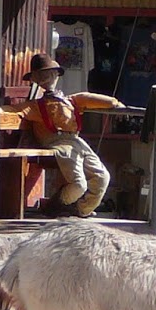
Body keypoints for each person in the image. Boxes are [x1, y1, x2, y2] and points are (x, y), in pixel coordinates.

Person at [23, 52, 109, 217]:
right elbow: (13, 110)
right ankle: (55, 206)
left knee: (102, 177)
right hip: (57, 143)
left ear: (56, 74)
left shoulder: (69, 100)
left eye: (50, 73)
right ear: (35, 79)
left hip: (75, 140)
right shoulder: (35, 106)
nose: (47, 77)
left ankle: (81, 209)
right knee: (79, 184)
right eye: (42, 75)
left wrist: (116, 104)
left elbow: (93, 99)